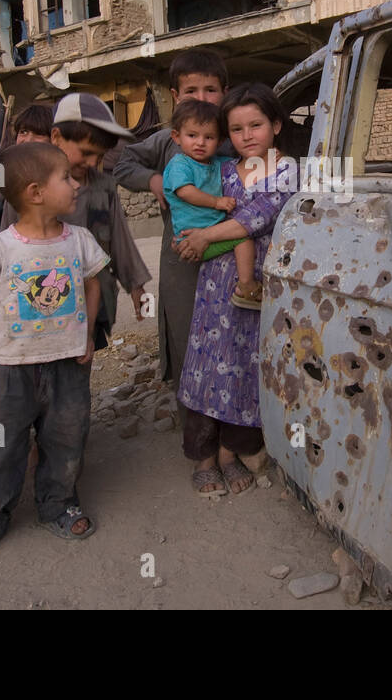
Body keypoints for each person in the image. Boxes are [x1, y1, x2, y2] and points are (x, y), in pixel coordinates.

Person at [0, 142, 109, 564]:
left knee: (66, 436)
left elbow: (93, 283)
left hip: (67, 362)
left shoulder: (80, 240)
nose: (76, 184)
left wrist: (88, 333)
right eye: (66, 178)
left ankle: (58, 502)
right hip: (10, 368)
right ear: (37, 192)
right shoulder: (1, 247)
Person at [171, 84, 298, 496]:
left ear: (275, 125)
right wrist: (190, 237)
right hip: (213, 287)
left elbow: (259, 215)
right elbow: (188, 203)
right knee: (206, 365)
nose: (247, 135)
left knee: (245, 367)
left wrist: (205, 237)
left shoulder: (286, 170)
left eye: (256, 125)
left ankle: (231, 453)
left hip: (257, 286)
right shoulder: (222, 170)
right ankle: (203, 458)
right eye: (237, 128)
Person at [113, 50, 230, 385]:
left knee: (230, 330)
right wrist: (155, 181)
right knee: (185, 329)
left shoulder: (235, 135)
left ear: (224, 92)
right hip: (180, 258)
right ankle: (190, 415)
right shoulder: (169, 140)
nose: (202, 98)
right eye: (191, 91)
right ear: (176, 97)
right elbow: (123, 164)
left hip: (232, 252)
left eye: (211, 90)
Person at [1, 94, 150, 350]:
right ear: (56, 137)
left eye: (100, 156)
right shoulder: (26, 189)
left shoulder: (103, 187)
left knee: (80, 365)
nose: (93, 163)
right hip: (38, 306)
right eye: (86, 153)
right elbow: (5, 247)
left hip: (92, 304)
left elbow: (119, 240)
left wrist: (137, 287)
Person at [161, 98, 259, 309]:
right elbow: (185, 191)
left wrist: (271, 156)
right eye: (192, 135)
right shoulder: (180, 164)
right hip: (190, 238)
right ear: (176, 137)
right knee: (243, 239)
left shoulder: (217, 163)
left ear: (220, 141)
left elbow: (243, 164)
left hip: (208, 232)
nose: (200, 143)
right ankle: (247, 287)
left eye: (209, 137)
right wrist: (217, 202)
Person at [0, 104, 53, 234]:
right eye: (23, 132)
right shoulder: (3, 170)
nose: (28, 140)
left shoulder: (61, 174)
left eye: (39, 133)